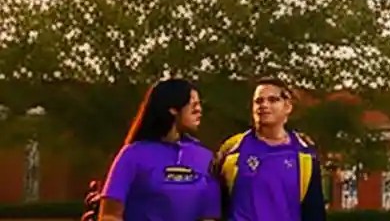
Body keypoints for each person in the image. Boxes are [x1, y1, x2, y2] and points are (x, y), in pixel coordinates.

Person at [92, 78, 221, 221]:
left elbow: (210, 216)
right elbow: (110, 215)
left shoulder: (205, 158)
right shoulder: (132, 155)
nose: (199, 110)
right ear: (172, 108)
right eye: (193, 105)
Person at [215, 77, 326, 221]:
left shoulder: (305, 154)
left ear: (287, 106)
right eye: (258, 101)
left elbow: (314, 212)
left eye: (272, 100)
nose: (264, 105)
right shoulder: (232, 149)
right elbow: (215, 204)